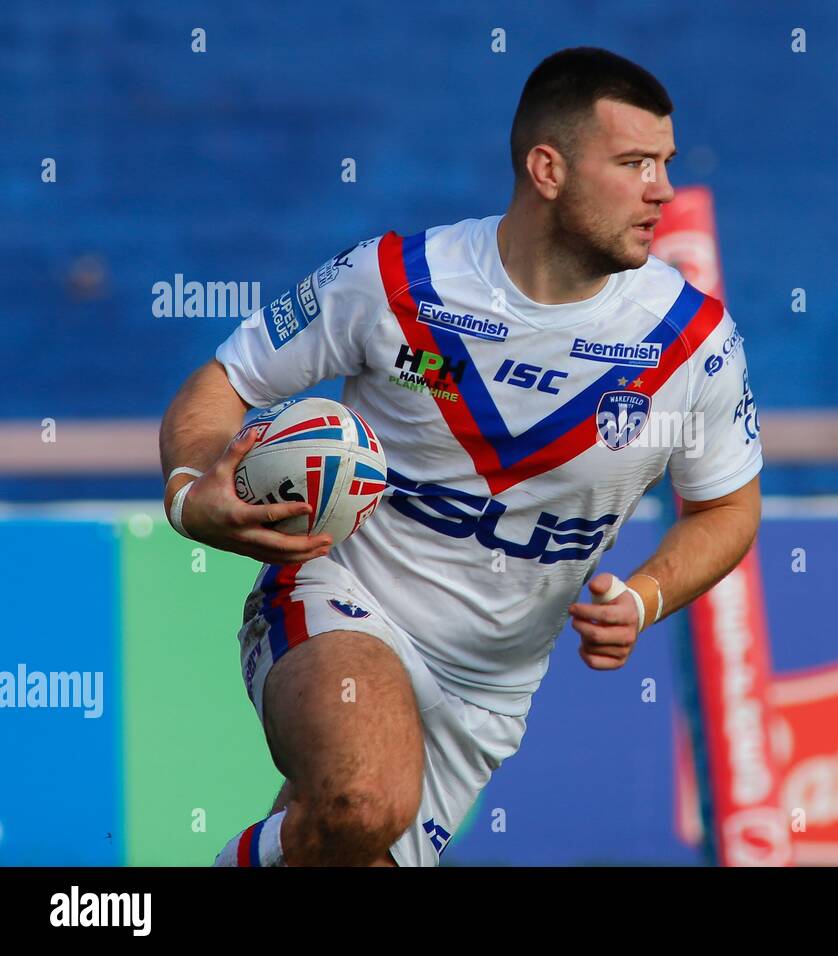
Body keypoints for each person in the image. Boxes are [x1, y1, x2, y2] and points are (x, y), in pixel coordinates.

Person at [158, 46, 762, 867]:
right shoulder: (393, 282)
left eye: (664, 163)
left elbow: (728, 506)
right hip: (345, 596)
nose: (660, 188)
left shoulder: (694, 343)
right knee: (364, 799)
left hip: (489, 691)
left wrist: (647, 596)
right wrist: (193, 490)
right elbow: (227, 379)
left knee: (339, 843)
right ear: (547, 169)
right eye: (632, 163)